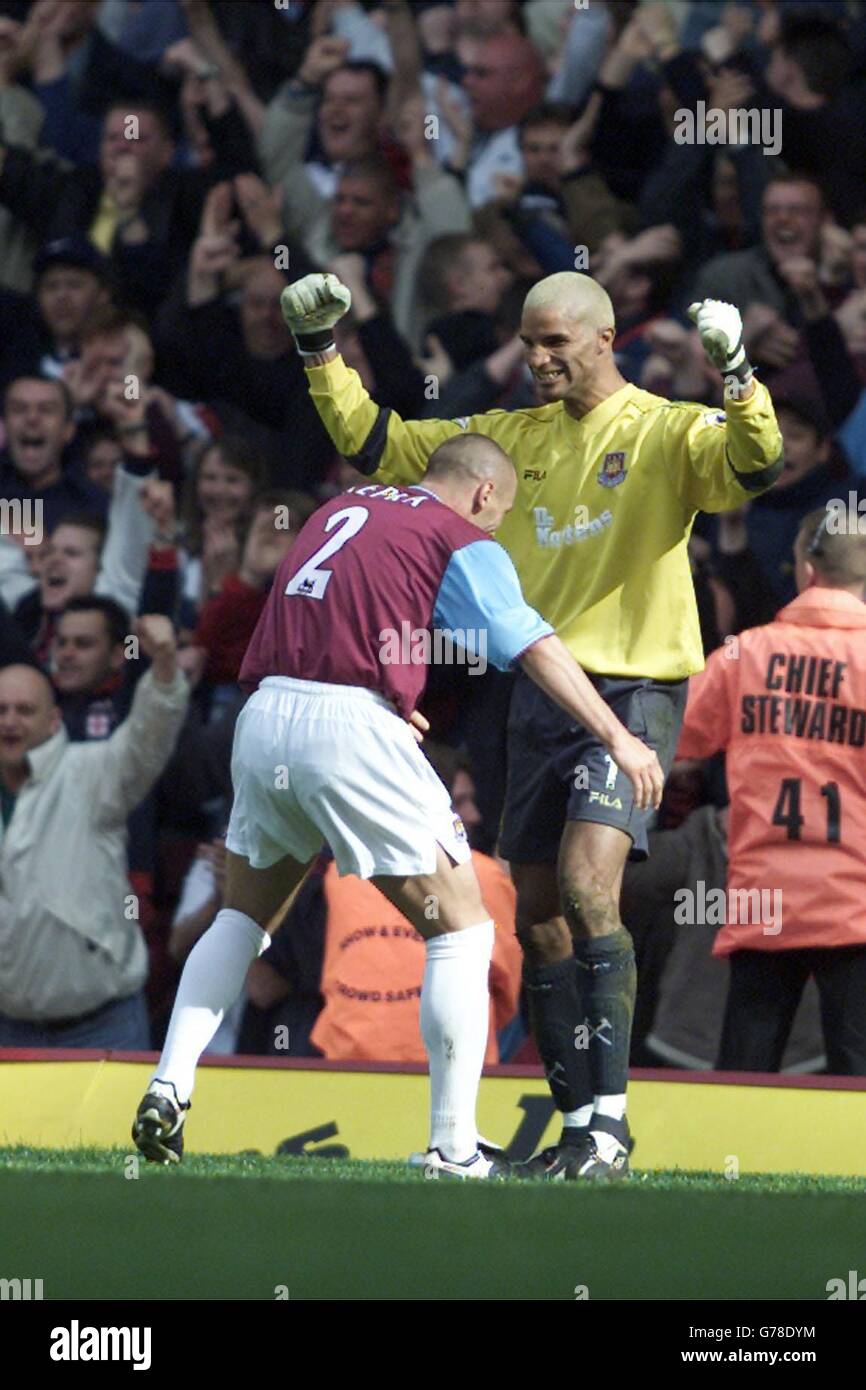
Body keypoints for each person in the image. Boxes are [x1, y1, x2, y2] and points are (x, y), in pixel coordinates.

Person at [278, 266, 782, 1179]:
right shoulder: (504, 439)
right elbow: (377, 444)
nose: (539, 357)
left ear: (604, 339)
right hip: (537, 698)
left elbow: (754, 466)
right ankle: (578, 1123)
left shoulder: (669, 429)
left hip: (631, 693)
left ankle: (612, 1128)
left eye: (556, 342)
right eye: (530, 339)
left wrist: (739, 377)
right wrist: (321, 353)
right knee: (539, 919)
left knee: (594, 890)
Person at [132, 432, 662, 1178]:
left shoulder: (339, 509)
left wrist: (390, 689)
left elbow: (333, 624)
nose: (494, 528)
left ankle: (169, 1086)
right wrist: (620, 737)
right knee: (463, 932)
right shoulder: (453, 534)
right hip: (349, 729)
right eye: (500, 514)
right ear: (483, 494)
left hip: (265, 718)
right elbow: (533, 643)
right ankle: (453, 1147)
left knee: (242, 916)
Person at [676, 509, 866, 1075]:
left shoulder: (748, 653)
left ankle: (730, 1157)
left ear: (808, 572)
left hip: (766, 895)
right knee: (858, 1071)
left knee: (745, 1065)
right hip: (855, 901)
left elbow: (679, 735)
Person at [0, 616, 188, 1049]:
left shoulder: (90, 773)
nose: (10, 721)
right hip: (10, 1027)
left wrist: (162, 666)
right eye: (2, 710)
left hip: (101, 1026)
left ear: (52, 721)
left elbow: (147, 738)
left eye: (24, 710)